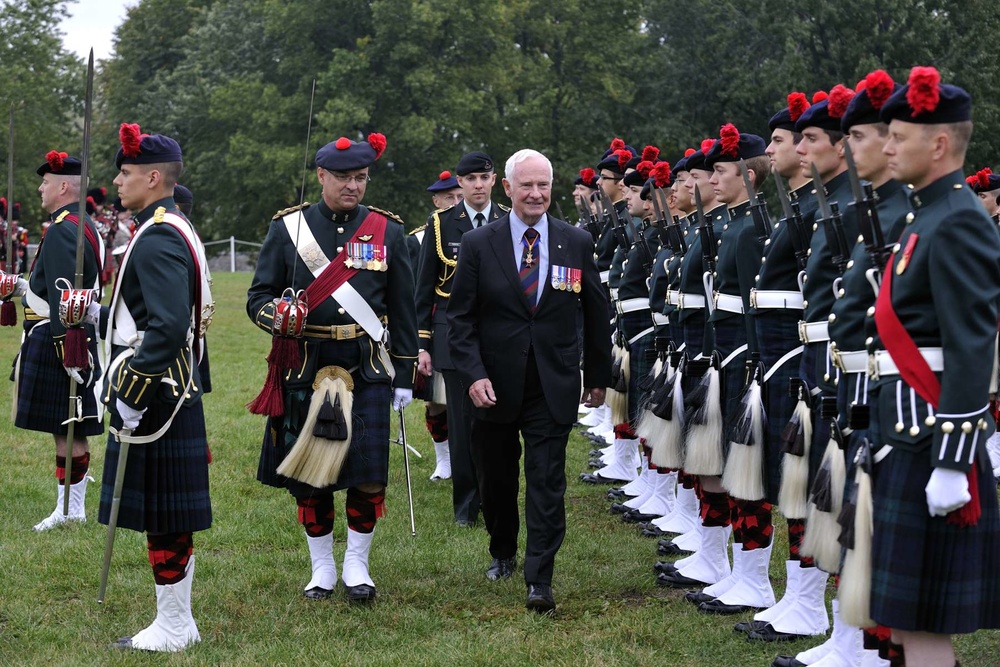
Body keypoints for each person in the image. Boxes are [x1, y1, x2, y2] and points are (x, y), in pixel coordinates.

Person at [867, 66, 1000, 667]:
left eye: (898, 135)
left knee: (922, 625)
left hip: (929, 437)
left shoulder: (961, 220)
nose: (887, 146)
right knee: (900, 619)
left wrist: (952, 464)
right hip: (902, 431)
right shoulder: (923, 217)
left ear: (938, 144)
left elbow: (973, 346)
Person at [248, 132, 416, 603]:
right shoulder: (288, 230)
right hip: (306, 365)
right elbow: (257, 296)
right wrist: (277, 317)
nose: (353, 186)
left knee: (368, 474)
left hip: (365, 367)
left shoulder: (388, 231)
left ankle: (357, 563)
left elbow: (404, 312)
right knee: (309, 475)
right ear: (321, 175)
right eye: (343, 177)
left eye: (361, 178)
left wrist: (403, 376)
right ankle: (321, 566)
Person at [447, 149, 611, 613]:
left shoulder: (575, 241)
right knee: (496, 480)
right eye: (527, 186)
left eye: (543, 185)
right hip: (493, 385)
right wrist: (473, 374)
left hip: (552, 382)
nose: (536, 194)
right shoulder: (481, 244)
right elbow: (459, 319)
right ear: (508, 188)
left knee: (546, 480)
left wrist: (597, 374)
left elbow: (595, 311)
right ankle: (502, 551)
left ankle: (540, 577)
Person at [97, 124, 212, 652]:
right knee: (167, 512)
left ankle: (172, 625)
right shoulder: (173, 224)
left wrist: (132, 391)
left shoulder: (160, 232)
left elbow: (166, 326)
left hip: (158, 391)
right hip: (172, 384)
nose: (117, 182)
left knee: (164, 513)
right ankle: (176, 619)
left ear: (153, 176)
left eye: (124, 173)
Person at [11, 150, 104, 531]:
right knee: (67, 426)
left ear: (64, 186)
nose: (40, 188)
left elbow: (70, 297)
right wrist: (19, 287)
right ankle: (70, 506)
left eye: (46, 182)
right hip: (59, 337)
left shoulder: (66, 229)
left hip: (59, 341)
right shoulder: (74, 224)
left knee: (68, 425)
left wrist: (69, 348)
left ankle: (70, 509)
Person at [415, 151, 506, 526]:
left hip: (499, 335)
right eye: (471, 180)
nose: (479, 186)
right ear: (460, 184)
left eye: (485, 178)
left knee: (496, 423)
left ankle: (497, 500)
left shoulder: (508, 218)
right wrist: (421, 343)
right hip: (451, 337)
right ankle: (466, 508)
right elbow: (422, 289)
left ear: (495, 180)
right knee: (462, 421)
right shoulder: (440, 225)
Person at [410, 169, 461, 481]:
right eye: (449, 198)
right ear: (436, 200)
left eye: (459, 197)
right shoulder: (417, 239)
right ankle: (444, 458)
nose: (455, 203)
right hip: (434, 326)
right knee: (436, 400)